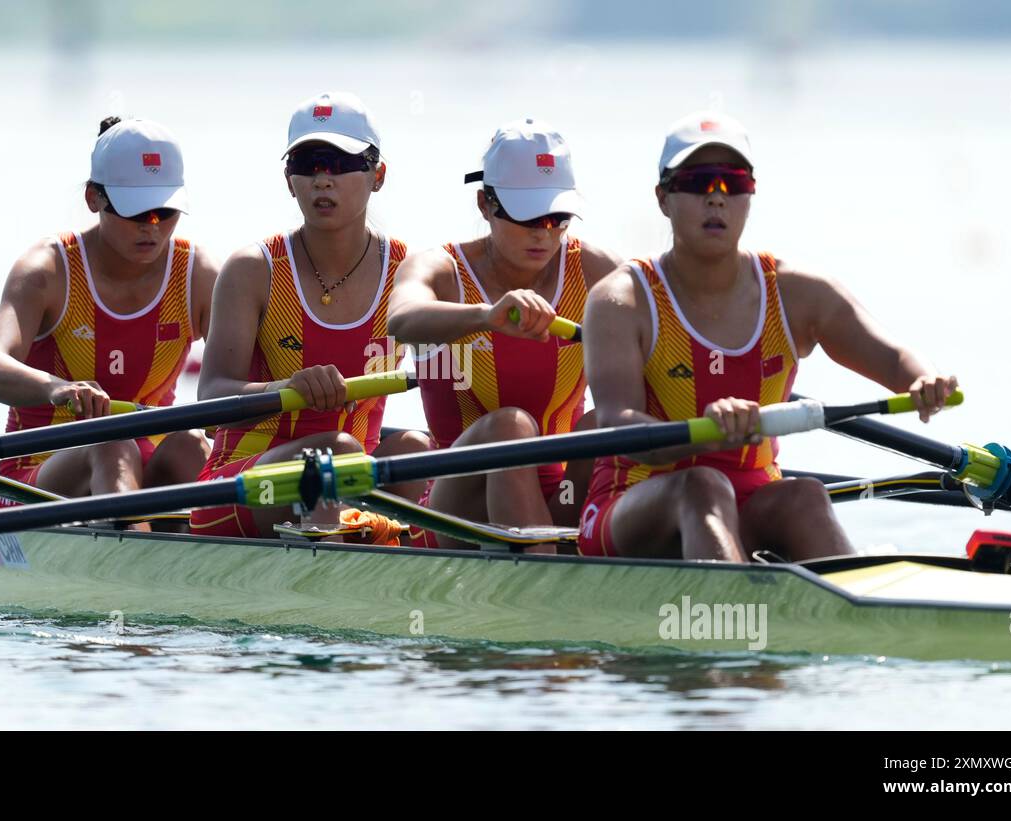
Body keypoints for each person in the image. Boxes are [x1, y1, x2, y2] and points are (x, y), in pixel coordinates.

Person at [579, 111, 958, 561]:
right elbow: (617, 423)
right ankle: (733, 620)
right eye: (699, 181)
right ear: (664, 198)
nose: (717, 198)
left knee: (805, 496)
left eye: (733, 182)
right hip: (633, 504)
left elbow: (895, 360)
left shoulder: (798, 293)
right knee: (702, 486)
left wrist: (924, 379)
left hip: (752, 499)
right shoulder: (622, 300)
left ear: (750, 195)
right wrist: (704, 434)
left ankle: (868, 623)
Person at [190, 92, 429, 539]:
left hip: (352, 474)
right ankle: (338, 568)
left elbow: (452, 384)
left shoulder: (409, 273)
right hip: (240, 484)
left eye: (339, 163)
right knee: (338, 449)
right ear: (288, 179)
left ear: (378, 176)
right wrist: (286, 389)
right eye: (308, 163)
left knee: (419, 450)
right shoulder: (253, 270)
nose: (322, 179)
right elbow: (211, 403)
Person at [389, 119, 623, 549]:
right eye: (526, 215)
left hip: (560, 495)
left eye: (557, 217)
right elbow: (400, 321)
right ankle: (545, 580)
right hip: (455, 502)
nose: (543, 232)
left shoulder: (593, 268)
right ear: (484, 204)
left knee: (607, 424)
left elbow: (668, 332)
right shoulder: (441, 269)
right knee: (510, 425)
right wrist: (485, 316)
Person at [0, 117, 217, 500]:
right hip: (37, 479)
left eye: (164, 212)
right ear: (93, 199)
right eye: (136, 212)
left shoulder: (198, 275)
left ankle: (187, 543)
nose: (151, 227)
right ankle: (134, 542)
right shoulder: (47, 270)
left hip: (145, 466)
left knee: (190, 444)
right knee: (111, 442)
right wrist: (56, 388)